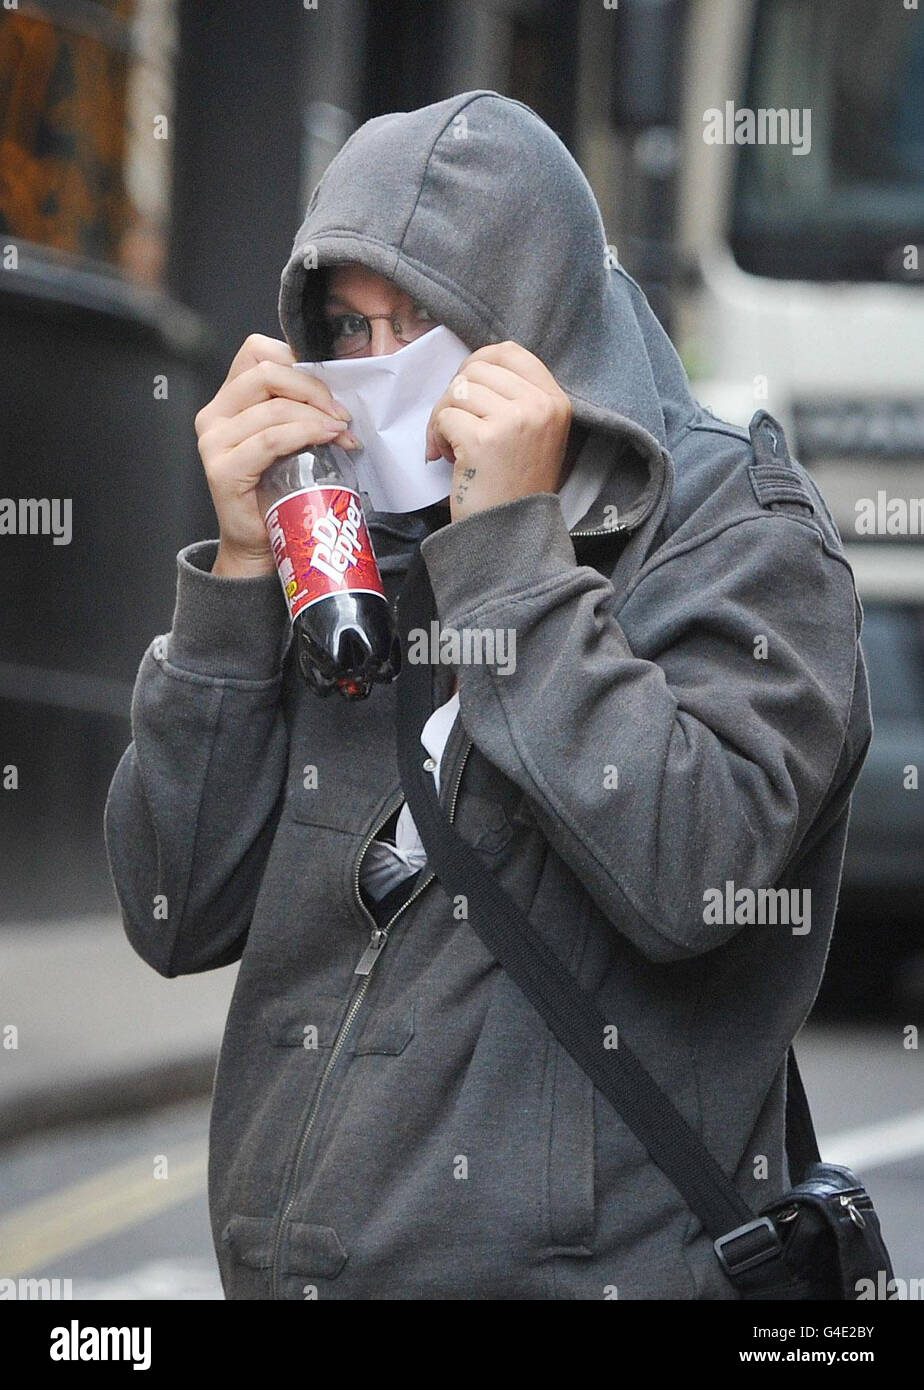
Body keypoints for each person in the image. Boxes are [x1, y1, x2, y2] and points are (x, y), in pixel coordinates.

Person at [104, 90, 872, 1300]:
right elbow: (172, 907)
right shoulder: (342, 541)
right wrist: (240, 584)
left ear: (538, 322)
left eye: (424, 326)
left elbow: (696, 874)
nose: (375, 372)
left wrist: (512, 559)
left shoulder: (743, 540)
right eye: (346, 330)